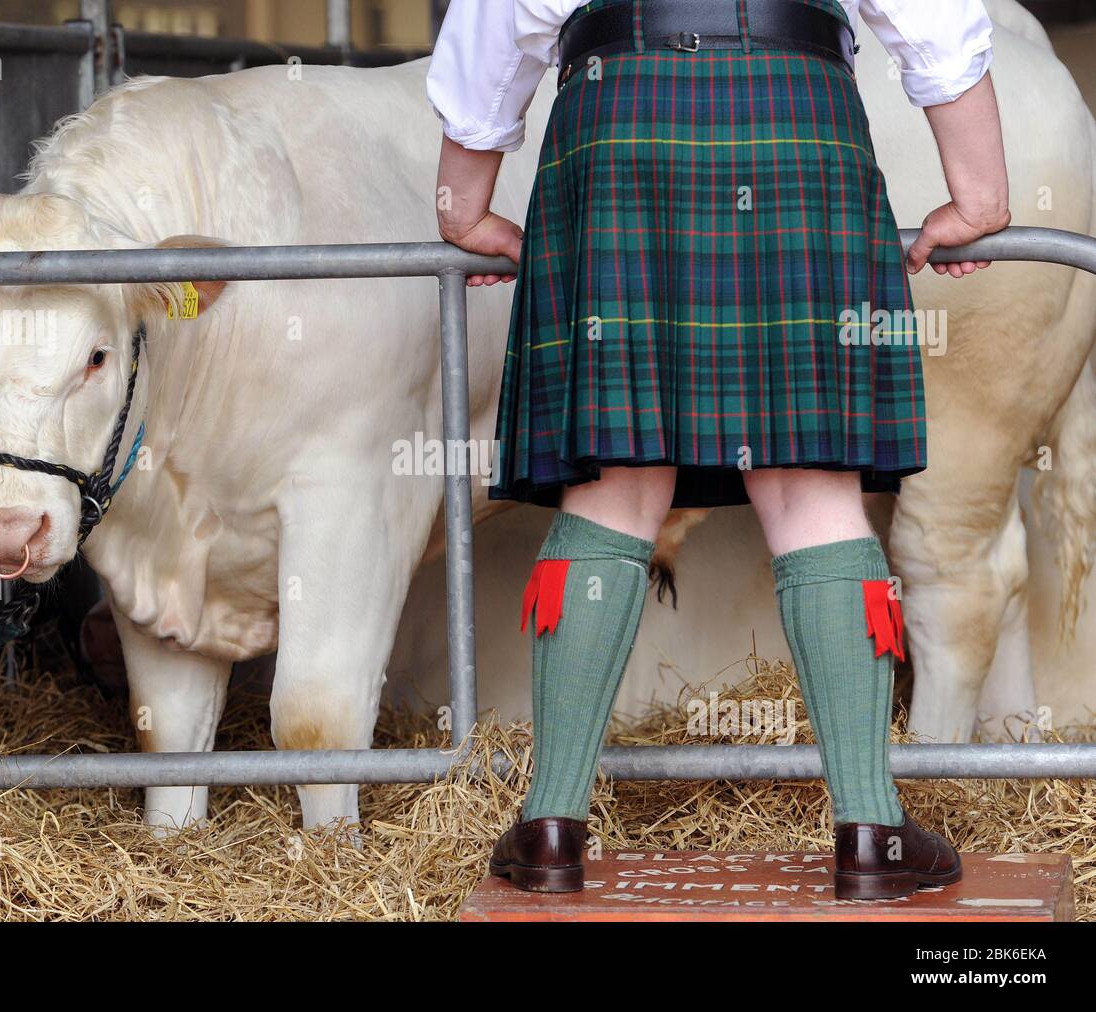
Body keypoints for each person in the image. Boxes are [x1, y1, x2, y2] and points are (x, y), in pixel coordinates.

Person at [427, 0, 1010, 897]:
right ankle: (870, 836)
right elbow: (931, 15)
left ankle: (549, 830)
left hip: (617, 120)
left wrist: (464, 208)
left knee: (615, 484)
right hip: (795, 118)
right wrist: (979, 194)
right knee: (811, 485)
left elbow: (491, 29)